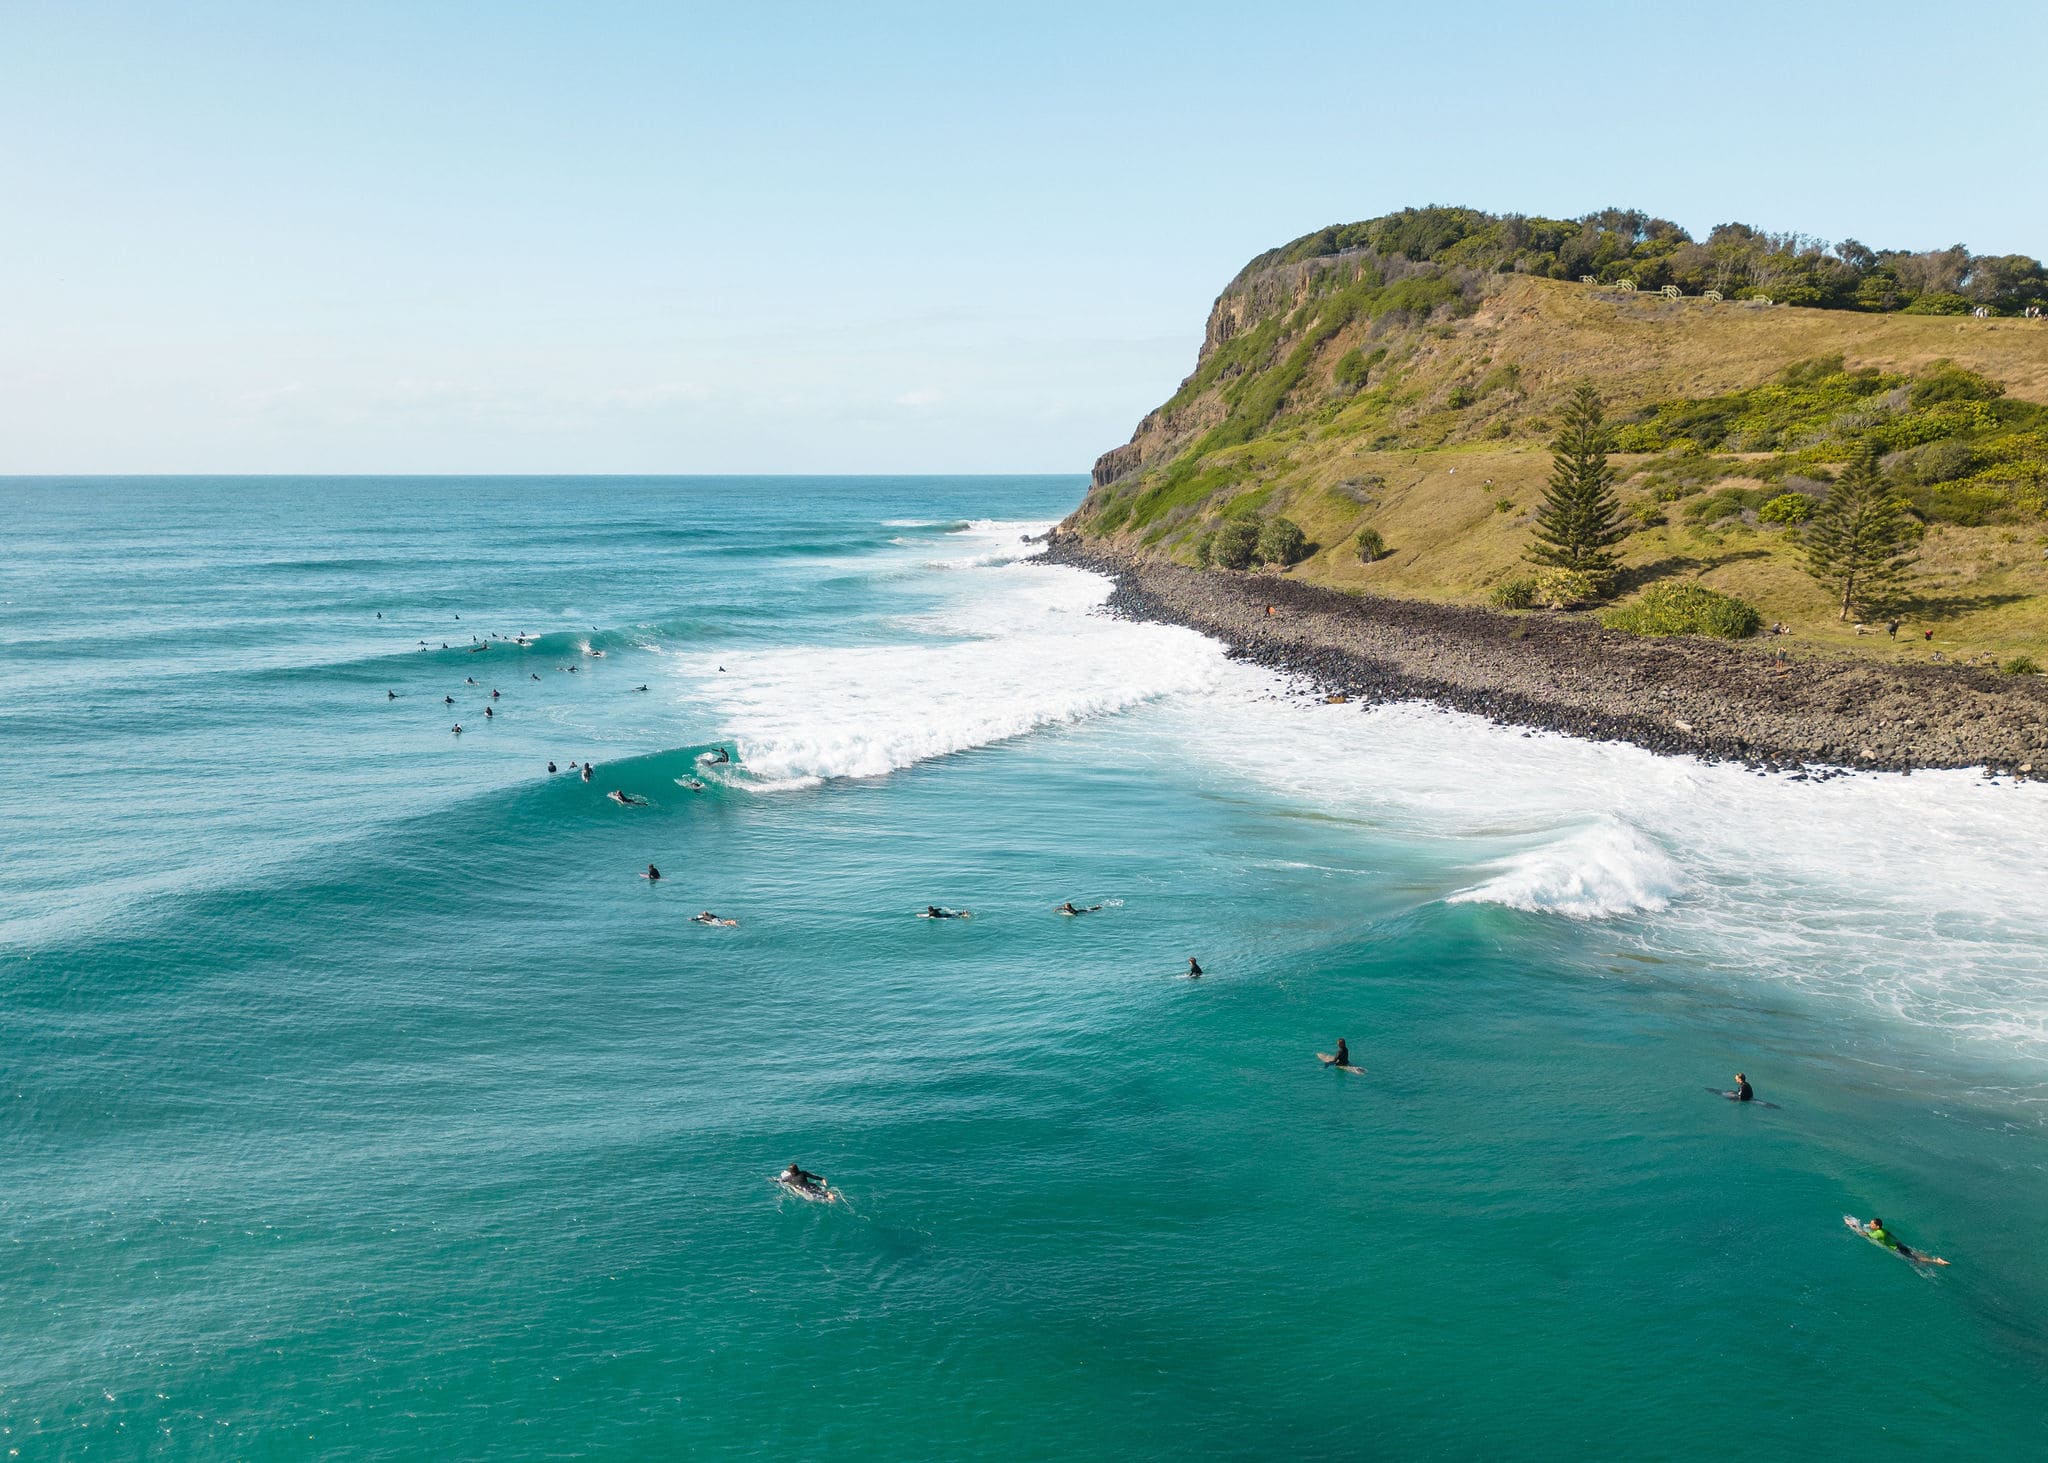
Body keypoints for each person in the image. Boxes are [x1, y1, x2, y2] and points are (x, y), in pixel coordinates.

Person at [1863, 1217, 1947, 1264]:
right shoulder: (1883, 1230)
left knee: (1916, 1258)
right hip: (1899, 1244)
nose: (1870, 1225)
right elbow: (1889, 1234)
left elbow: (1865, 1234)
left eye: (1872, 1224)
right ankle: (1931, 1258)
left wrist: (1853, 1226)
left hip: (1897, 1248)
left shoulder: (1878, 1233)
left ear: (1877, 1226)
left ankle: (1936, 1261)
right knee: (1913, 1253)